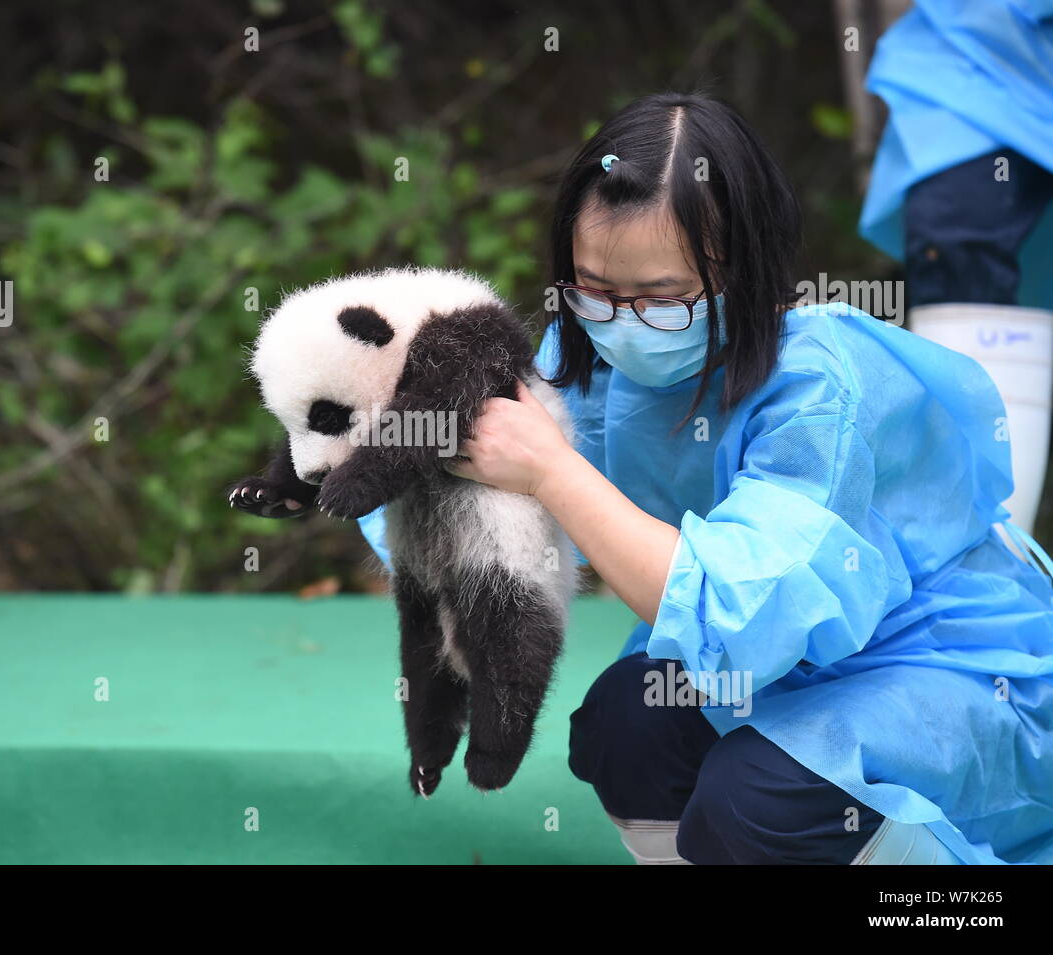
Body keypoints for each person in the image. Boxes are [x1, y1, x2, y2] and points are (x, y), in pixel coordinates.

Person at [356, 91, 1053, 864]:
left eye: (662, 297)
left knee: (756, 799)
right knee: (629, 724)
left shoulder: (822, 385)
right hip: (783, 675)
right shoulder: (585, 352)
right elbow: (444, 508)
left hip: (929, 664)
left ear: (747, 269)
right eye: (593, 287)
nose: (622, 321)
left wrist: (552, 472)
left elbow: (742, 622)